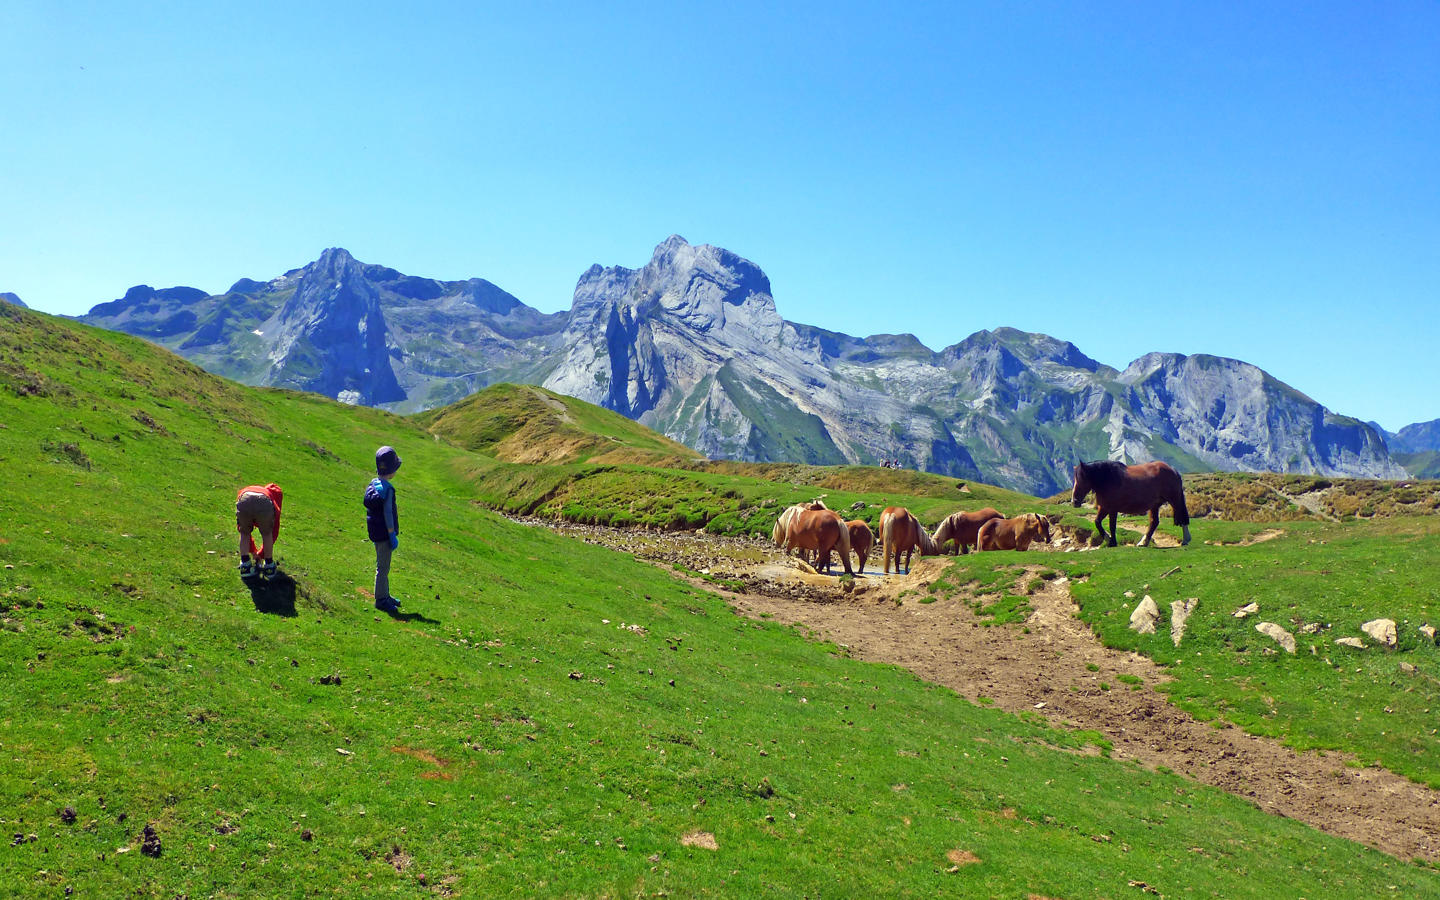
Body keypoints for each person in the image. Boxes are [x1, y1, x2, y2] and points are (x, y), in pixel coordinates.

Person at [364, 446, 402, 613]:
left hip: (375, 533)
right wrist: (392, 534)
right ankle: (381, 600)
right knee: (383, 568)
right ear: (392, 470)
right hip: (385, 535)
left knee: (383, 566)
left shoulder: (374, 484)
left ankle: (385, 595)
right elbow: (388, 513)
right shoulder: (387, 489)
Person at [236, 482, 283, 578]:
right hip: (263, 502)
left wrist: (253, 552)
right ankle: (269, 566)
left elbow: (239, 527)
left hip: (244, 497)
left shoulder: (253, 488)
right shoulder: (272, 501)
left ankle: (245, 565)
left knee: (244, 533)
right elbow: (274, 531)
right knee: (267, 534)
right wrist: (260, 554)